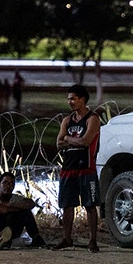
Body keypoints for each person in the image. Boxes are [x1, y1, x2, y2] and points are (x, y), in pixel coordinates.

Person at [54, 84, 101, 252]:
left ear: (83, 99)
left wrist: (68, 138)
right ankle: (66, 238)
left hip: (87, 167)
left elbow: (86, 141)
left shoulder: (92, 119)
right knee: (67, 204)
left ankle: (93, 240)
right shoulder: (67, 120)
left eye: (73, 99)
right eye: (68, 99)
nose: (70, 102)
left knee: (90, 204)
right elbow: (59, 144)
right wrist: (71, 140)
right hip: (68, 167)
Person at [0, 171, 47, 248]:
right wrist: (14, 208)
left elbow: (31, 203)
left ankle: (36, 238)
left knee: (25, 211)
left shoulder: (14, 198)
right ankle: (0, 239)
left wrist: (11, 206)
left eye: (11, 183)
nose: (8, 186)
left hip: (10, 230)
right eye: (5, 183)